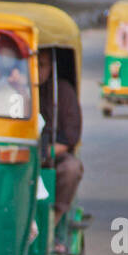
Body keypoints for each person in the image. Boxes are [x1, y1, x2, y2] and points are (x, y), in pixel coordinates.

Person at [37, 47, 83, 235]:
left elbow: (70, 137)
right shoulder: (15, 88)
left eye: (41, 65)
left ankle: (52, 224)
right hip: (24, 152)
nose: (37, 70)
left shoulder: (62, 91)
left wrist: (47, 152)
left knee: (71, 168)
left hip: (52, 153)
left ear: (50, 68)